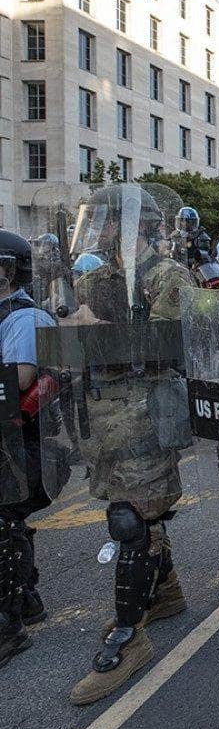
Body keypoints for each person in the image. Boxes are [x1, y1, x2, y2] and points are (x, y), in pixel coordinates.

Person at [62, 185, 195, 706]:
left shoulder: (166, 277)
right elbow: (65, 328)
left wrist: (97, 329)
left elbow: (167, 344)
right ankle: (165, 593)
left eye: (108, 220)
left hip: (145, 417)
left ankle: (129, 636)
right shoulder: (96, 277)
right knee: (134, 514)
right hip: (102, 419)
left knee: (129, 520)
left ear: (134, 224)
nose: (100, 230)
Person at [0, 231, 58, 668]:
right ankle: (27, 596)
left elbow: (20, 377)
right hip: (7, 440)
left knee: (4, 522)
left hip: (22, 443)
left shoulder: (24, 317)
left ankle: (8, 626)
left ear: (8, 269)